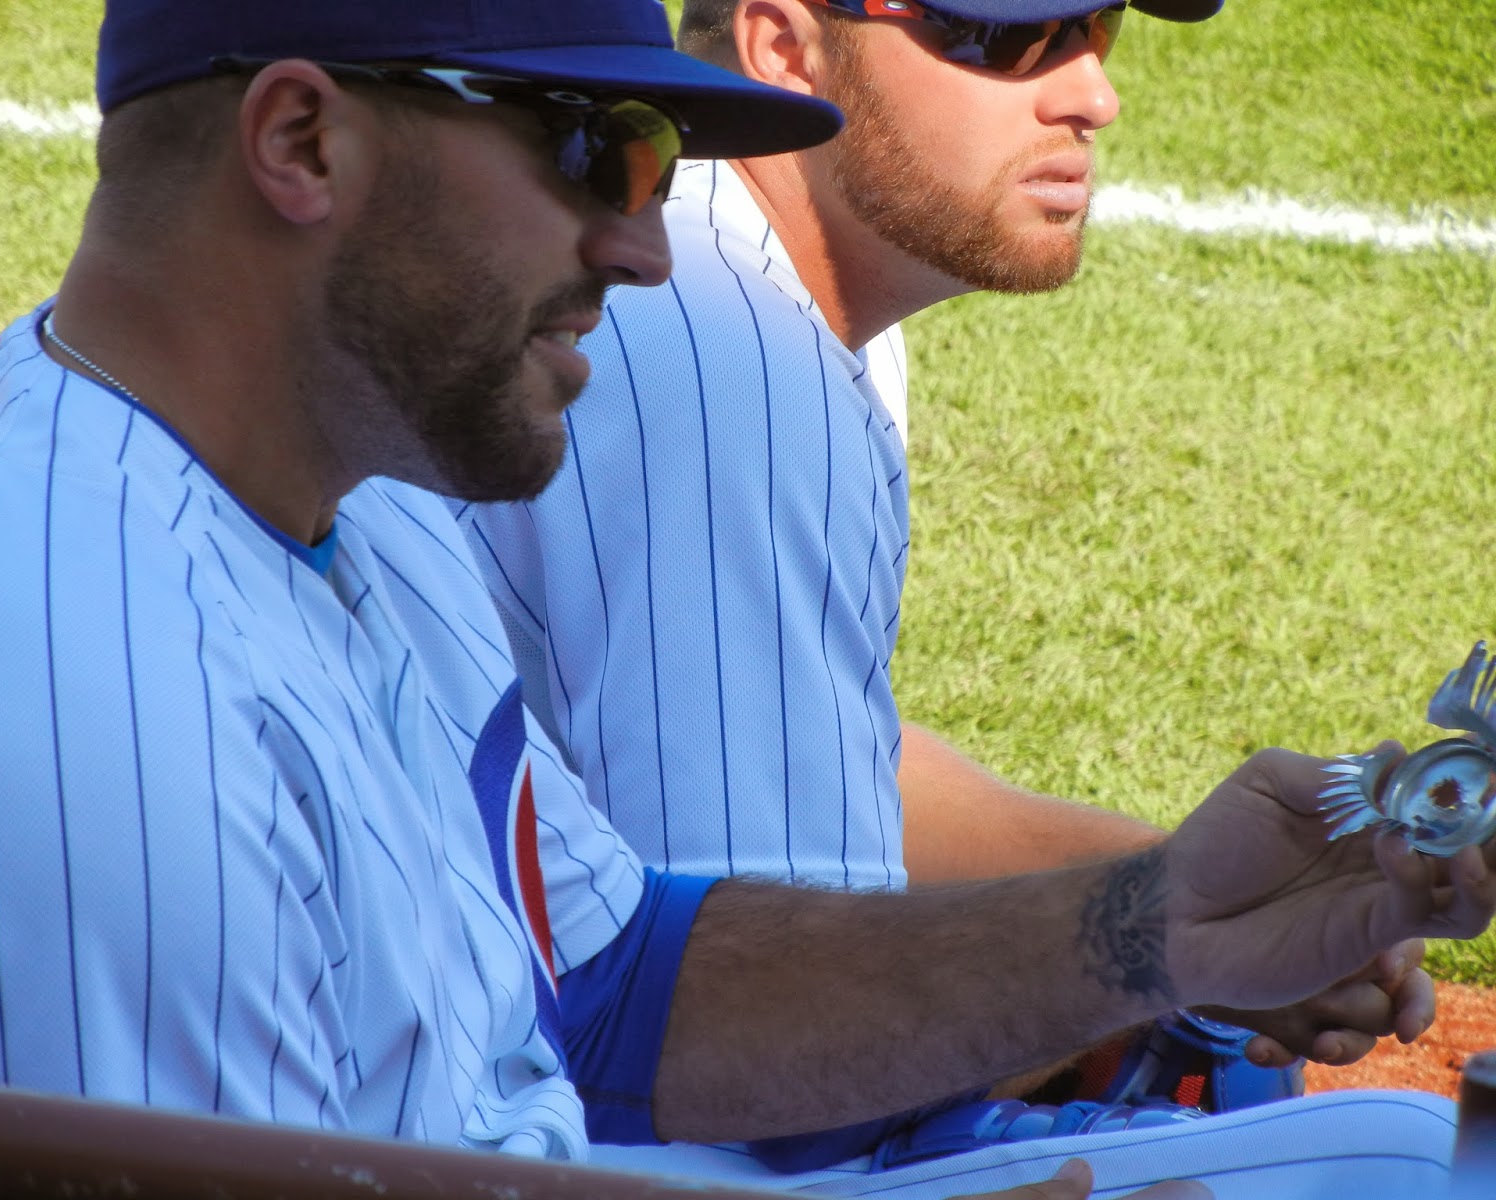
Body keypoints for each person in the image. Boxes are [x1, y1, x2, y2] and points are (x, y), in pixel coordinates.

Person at [0, 2, 1490, 1199]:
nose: (649, 244)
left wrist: (1153, 933)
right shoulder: (95, 700)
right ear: (303, 141)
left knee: (1411, 1166)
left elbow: (618, 992)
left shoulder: (360, 490)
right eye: (600, 147)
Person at [451, 0, 1409, 1155]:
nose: (1089, 97)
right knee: (1378, 1159)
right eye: (1003, 38)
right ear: (781, 48)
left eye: (1095, 28)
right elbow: (769, 1070)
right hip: (561, 1137)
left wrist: (1198, 893)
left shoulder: (784, 294)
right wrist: (1154, 959)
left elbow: (842, 757)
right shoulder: (726, 356)